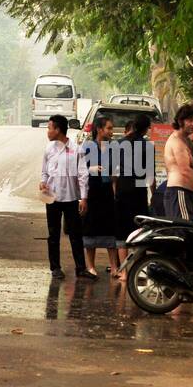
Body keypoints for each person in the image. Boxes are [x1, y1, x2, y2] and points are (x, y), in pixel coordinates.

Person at [40, 113, 92, 280]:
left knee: (76, 234)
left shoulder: (76, 150)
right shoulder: (49, 149)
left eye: (49, 128)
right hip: (52, 198)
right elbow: (44, 171)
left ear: (58, 130)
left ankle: (81, 268)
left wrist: (83, 198)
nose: (48, 131)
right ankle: (55, 267)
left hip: (71, 198)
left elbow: (83, 174)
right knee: (53, 233)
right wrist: (43, 182)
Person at [114, 114, 154, 277]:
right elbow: (150, 175)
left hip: (123, 188)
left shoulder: (119, 144)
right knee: (140, 231)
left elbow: (113, 173)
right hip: (138, 189)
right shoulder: (147, 146)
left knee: (122, 231)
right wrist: (154, 193)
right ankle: (139, 272)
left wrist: (115, 191)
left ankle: (123, 273)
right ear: (145, 129)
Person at [82, 115, 120, 278]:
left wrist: (114, 181)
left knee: (110, 229)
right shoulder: (87, 147)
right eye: (109, 128)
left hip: (107, 192)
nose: (112, 132)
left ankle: (114, 267)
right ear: (99, 129)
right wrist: (91, 170)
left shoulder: (113, 148)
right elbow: (78, 170)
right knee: (91, 229)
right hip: (92, 192)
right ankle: (90, 266)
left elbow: (117, 171)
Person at [164, 103, 193, 221]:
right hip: (179, 192)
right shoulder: (177, 142)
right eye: (190, 120)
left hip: (183, 193)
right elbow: (185, 170)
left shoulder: (184, 140)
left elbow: (192, 164)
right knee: (185, 232)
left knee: (187, 232)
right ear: (181, 121)